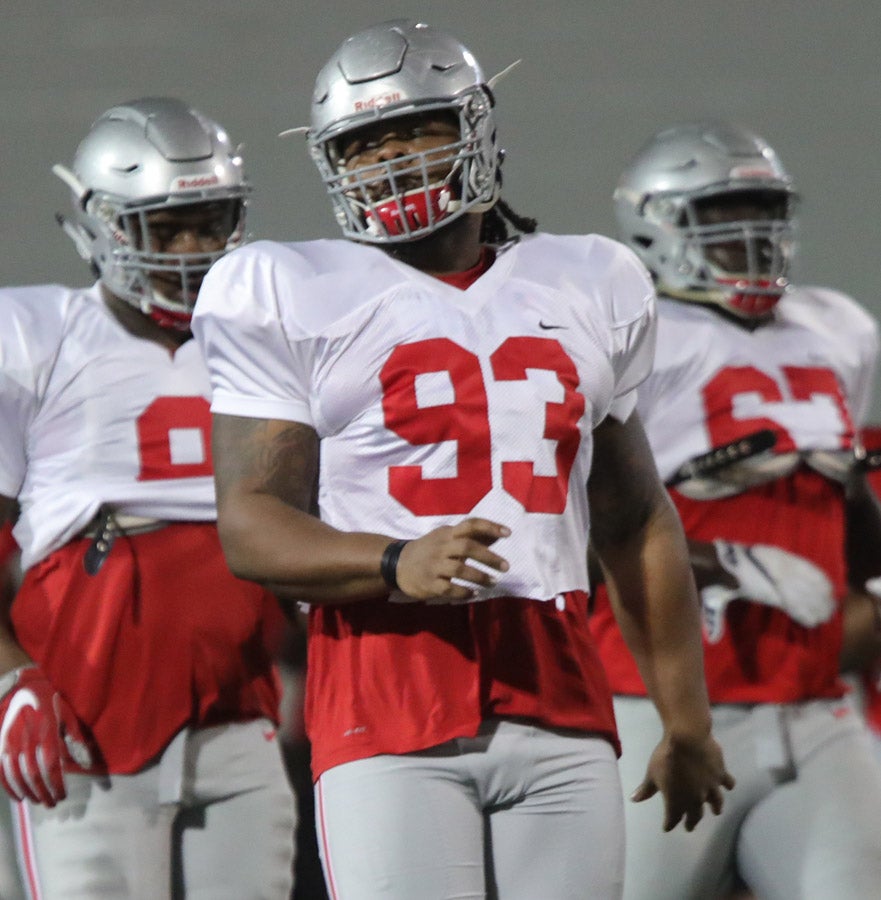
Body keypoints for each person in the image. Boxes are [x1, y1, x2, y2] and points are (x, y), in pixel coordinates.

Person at [192, 19, 733, 900]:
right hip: (383, 689)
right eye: (365, 142)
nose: (393, 157)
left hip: (557, 680)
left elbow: (635, 519)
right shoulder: (286, 286)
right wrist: (395, 560)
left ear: (477, 128)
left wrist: (685, 718)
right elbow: (252, 525)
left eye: (417, 128)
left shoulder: (589, 279)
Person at [0, 97, 296, 899]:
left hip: (242, 714)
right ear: (100, 226)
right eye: (166, 228)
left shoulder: (273, 342)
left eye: (208, 222)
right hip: (85, 720)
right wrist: (9, 677)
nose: (193, 249)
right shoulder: (35, 335)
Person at [589, 119, 881, 900]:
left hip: (814, 706)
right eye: (719, 214)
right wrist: (723, 560)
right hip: (661, 703)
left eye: (761, 209)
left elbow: (843, 486)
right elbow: (574, 519)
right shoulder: (631, 339)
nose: (749, 235)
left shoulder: (837, 328)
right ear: (655, 225)